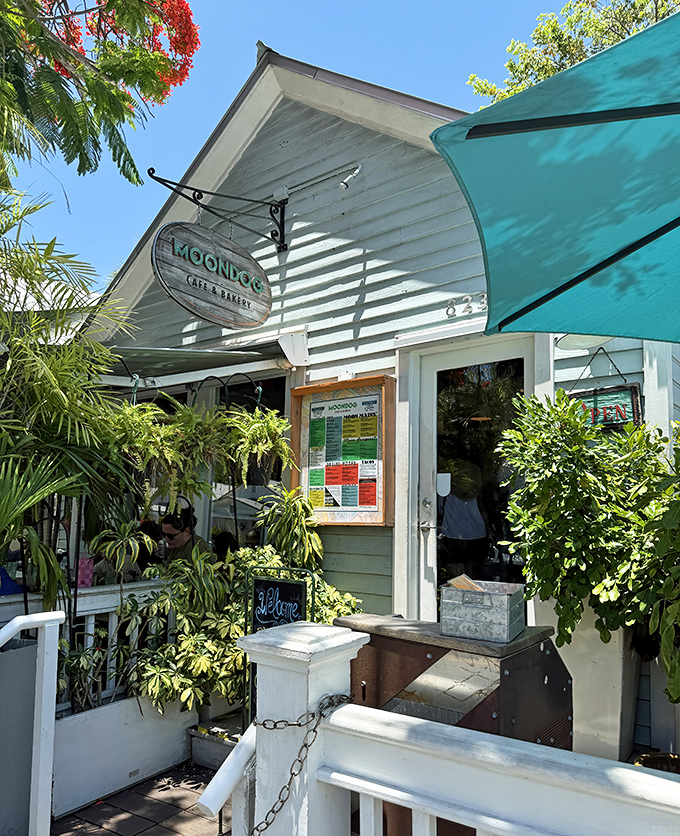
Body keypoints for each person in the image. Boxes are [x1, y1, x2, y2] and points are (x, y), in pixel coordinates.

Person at [437, 460, 489, 587]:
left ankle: (457, 601)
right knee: (475, 577)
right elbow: (484, 513)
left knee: (455, 578)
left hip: (452, 535)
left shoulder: (444, 492)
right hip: (478, 535)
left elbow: (438, 511)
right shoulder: (477, 493)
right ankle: (474, 601)